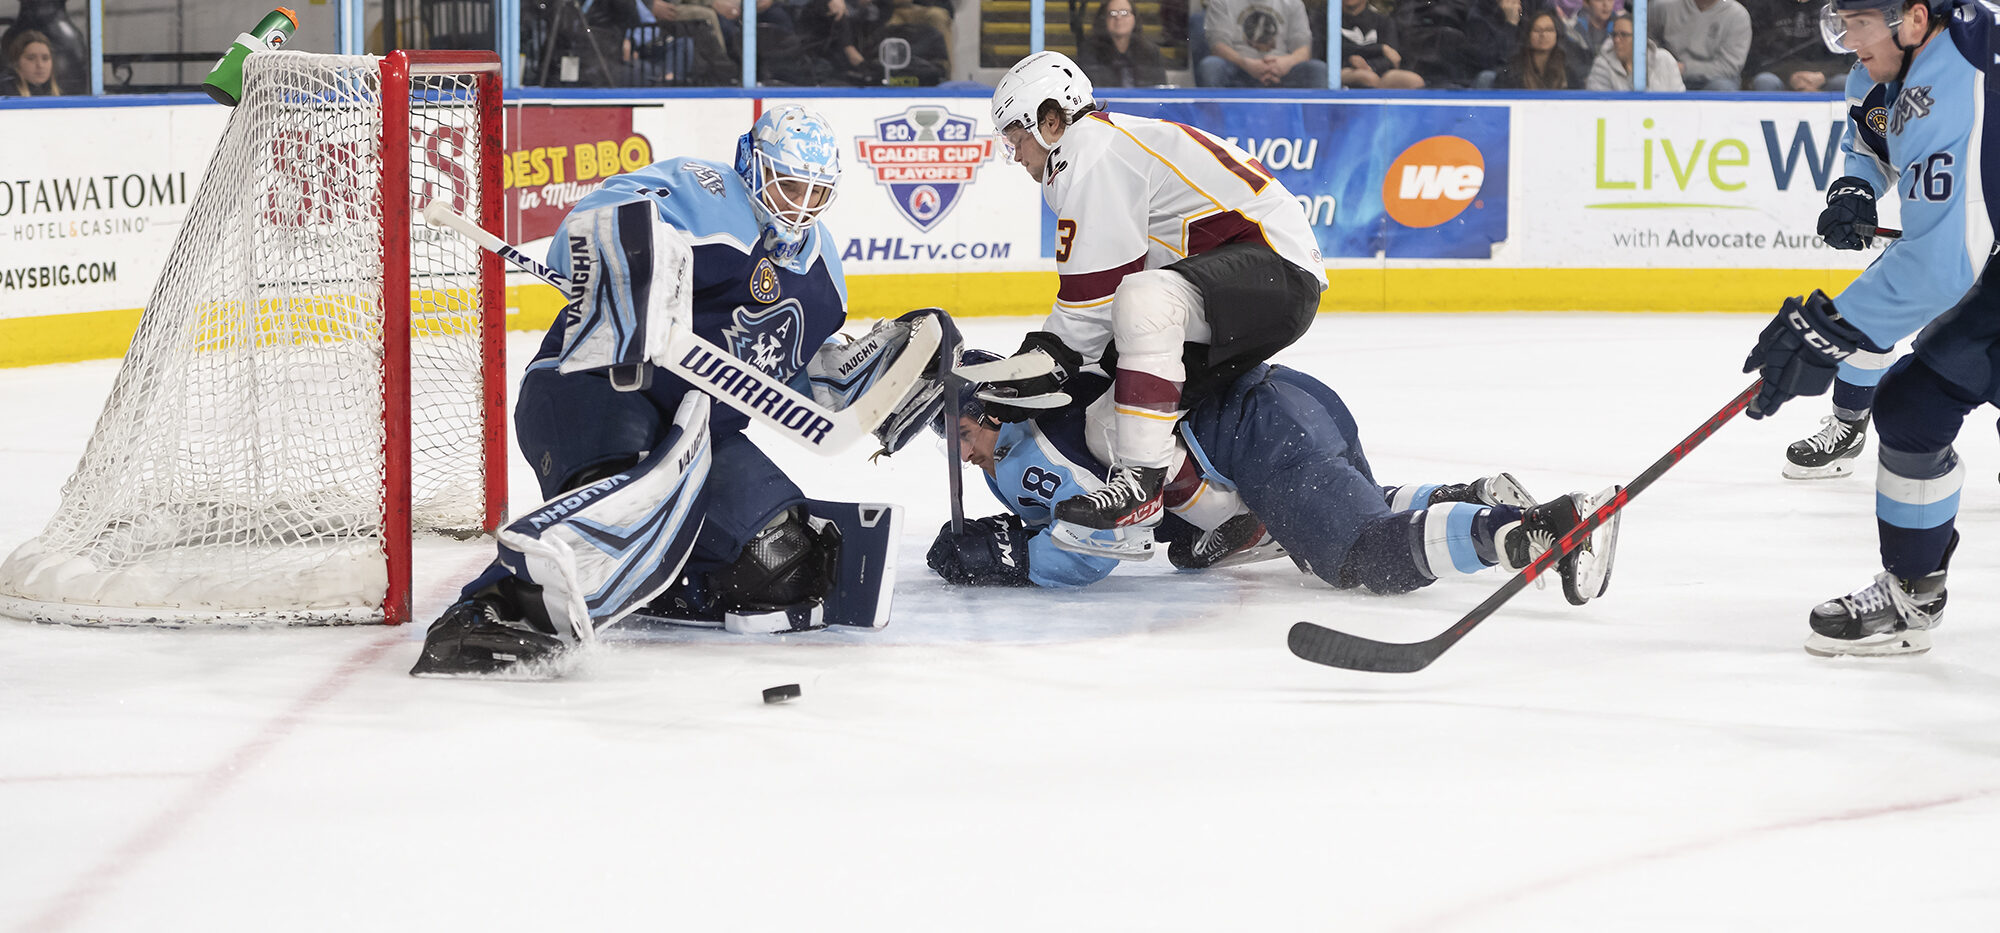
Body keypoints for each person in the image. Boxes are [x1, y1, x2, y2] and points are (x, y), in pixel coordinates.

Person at [411, 106, 923, 677]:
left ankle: (644, 586)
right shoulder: (703, 194)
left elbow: (787, 376)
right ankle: (485, 615)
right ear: (753, 166)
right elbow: (587, 230)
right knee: (632, 507)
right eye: (789, 184)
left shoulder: (824, 274)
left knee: (784, 564)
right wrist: (640, 269)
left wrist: (852, 382)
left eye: (815, 190)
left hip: (698, 434)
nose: (799, 204)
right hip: (594, 389)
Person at [906, 352, 1622, 604]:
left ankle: (1536, 531)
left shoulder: (1038, 446)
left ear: (994, 413)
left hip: (1259, 435)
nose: (963, 453)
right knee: (1219, 543)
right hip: (1287, 404)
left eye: (963, 434)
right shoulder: (1034, 428)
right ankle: (1471, 501)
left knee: (1365, 557)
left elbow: (1103, 541)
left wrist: (1019, 556)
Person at [984, 52, 1328, 562]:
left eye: (1017, 137)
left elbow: (1094, 302)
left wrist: (1017, 376)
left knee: (1141, 302)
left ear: (1050, 119)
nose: (1016, 155)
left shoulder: (1089, 148)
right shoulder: (1101, 148)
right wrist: (1029, 374)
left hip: (1273, 265)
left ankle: (1138, 489)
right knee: (1110, 428)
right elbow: (1107, 304)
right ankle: (1250, 521)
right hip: (1238, 290)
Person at [1738, 0, 1997, 657]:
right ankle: (1914, 592)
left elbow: (1943, 266)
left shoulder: (1960, 75)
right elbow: (1873, 140)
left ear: (1913, 19)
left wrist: (1831, 328)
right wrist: (1855, 189)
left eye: (1856, 24)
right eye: (1839, 23)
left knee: (1915, 403)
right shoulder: (1891, 65)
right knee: (1912, 407)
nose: (1845, 42)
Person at [1197, 0, 1332, 86]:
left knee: (1317, 70)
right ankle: (1212, 129)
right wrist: (1246, 64)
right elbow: (1218, 46)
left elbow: (1303, 49)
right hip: (1239, 69)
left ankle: (1314, 130)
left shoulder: (1293, 3)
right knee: (1211, 66)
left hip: (1282, 71)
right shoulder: (1221, 2)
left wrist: (1285, 63)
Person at [1743, 0, 1851, 91]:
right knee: (1765, 81)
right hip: (1778, 75)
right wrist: (1789, 76)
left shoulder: (1835, 8)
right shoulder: (1763, 7)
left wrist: (1823, 76)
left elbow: (1848, 57)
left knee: (1844, 82)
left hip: (1825, 77)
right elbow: (1755, 57)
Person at [1648, 0, 1753, 90]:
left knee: (1723, 87)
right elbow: (1646, 43)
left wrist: (1684, 68)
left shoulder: (1738, 15)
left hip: (1714, 80)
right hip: (1668, 75)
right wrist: (1666, 64)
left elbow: (1728, 66)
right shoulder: (1663, 6)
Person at [1078, 0, 1169, 87]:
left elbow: (1160, 92)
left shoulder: (1151, 53)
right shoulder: (1090, 53)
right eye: (1112, 13)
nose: (1118, 18)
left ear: (1135, 18)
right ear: (1104, 19)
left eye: (1124, 13)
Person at [1338, 0, 1426, 88]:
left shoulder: (1383, 21)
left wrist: (1369, 66)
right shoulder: (1328, 19)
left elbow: (1393, 57)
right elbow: (1332, 50)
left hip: (1378, 70)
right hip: (1340, 70)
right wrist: (1380, 49)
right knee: (1367, 78)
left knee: (1412, 80)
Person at [1586, 12, 1687, 89]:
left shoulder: (1665, 60)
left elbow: (1680, 102)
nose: (1616, 40)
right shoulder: (1602, 65)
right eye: (1615, 35)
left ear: (1639, 38)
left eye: (1623, 35)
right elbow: (1598, 105)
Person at [1495, 10, 1573, 87]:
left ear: (1557, 35)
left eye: (1549, 30)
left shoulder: (1567, 68)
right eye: (1537, 30)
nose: (1543, 34)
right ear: (1528, 35)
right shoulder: (1513, 69)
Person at [2, 30, 60, 97]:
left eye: (45, 58)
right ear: (16, 62)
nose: (40, 65)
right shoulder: (4, 91)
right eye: (31, 58)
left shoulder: (68, 91)